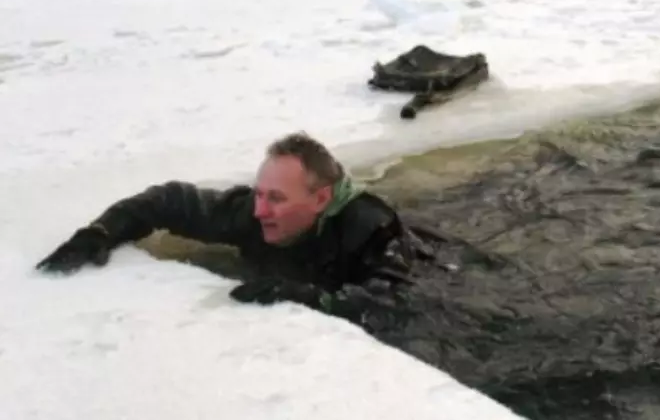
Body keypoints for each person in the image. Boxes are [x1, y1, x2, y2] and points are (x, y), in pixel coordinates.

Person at [35, 131, 433, 318]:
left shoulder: (370, 228)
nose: (260, 210)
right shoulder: (251, 214)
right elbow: (168, 200)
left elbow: (393, 304)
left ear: (320, 198)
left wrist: (312, 298)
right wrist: (102, 231)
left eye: (276, 198)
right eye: (259, 193)